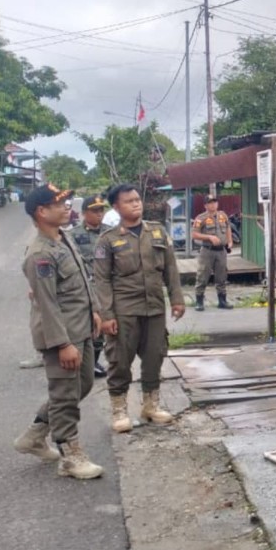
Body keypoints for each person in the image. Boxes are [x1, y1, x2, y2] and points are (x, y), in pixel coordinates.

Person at [13, 184, 103, 479]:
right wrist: (62, 344)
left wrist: (95, 311)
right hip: (61, 334)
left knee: (84, 384)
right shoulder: (39, 253)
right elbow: (47, 303)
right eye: (59, 203)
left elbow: (80, 282)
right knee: (65, 395)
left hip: (81, 327)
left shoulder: (63, 238)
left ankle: (35, 434)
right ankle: (70, 456)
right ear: (41, 212)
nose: (67, 207)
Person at [93, 184, 185, 434]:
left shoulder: (156, 232)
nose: (136, 204)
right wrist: (107, 315)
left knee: (155, 356)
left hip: (154, 307)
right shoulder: (108, 240)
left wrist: (177, 298)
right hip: (124, 310)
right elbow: (101, 280)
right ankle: (119, 409)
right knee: (120, 360)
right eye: (128, 201)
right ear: (116, 207)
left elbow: (171, 268)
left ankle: (151, 405)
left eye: (137, 199)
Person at [71, 196, 112, 377]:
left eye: (101, 210)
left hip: (109, 284)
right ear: (84, 213)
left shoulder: (111, 232)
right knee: (94, 326)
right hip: (87, 285)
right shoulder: (73, 235)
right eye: (95, 211)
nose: (99, 214)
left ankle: (98, 361)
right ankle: (90, 363)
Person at [191, 195, 234, 312]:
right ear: (205, 205)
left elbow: (228, 227)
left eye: (214, 202)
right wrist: (209, 237)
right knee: (202, 276)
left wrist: (230, 241)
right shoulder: (200, 218)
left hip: (221, 251)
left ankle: (222, 301)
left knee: (222, 276)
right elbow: (194, 234)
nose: (213, 204)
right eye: (210, 203)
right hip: (207, 251)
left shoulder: (223, 215)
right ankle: (199, 301)